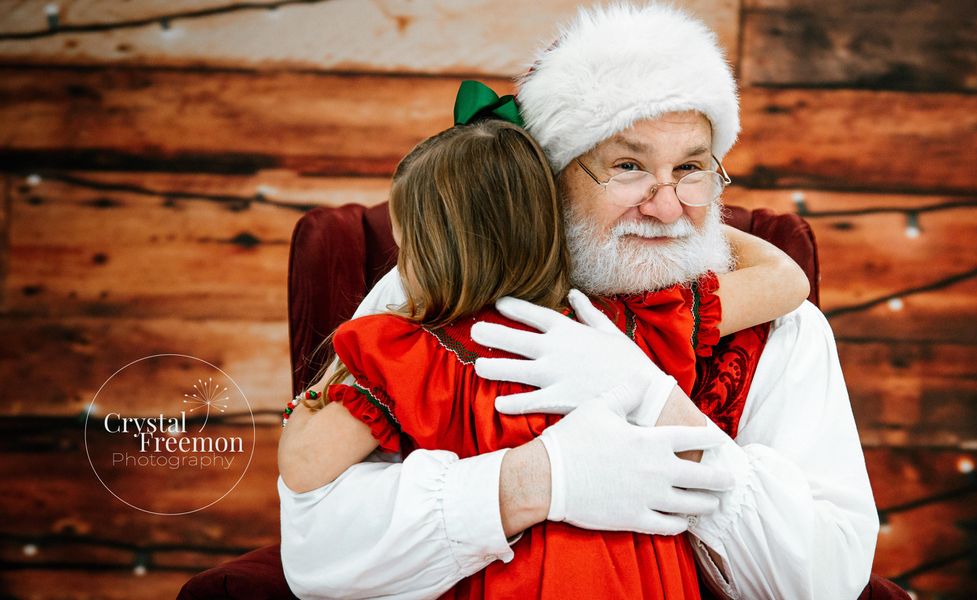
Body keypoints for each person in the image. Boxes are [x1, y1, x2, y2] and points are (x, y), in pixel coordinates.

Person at [279, 4, 879, 599]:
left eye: (692, 167)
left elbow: (824, 580)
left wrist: (656, 404)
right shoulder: (439, 294)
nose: (668, 208)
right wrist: (533, 482)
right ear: (552, 180)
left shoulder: (781, 328)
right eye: (626, 165)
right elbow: (318, 551)